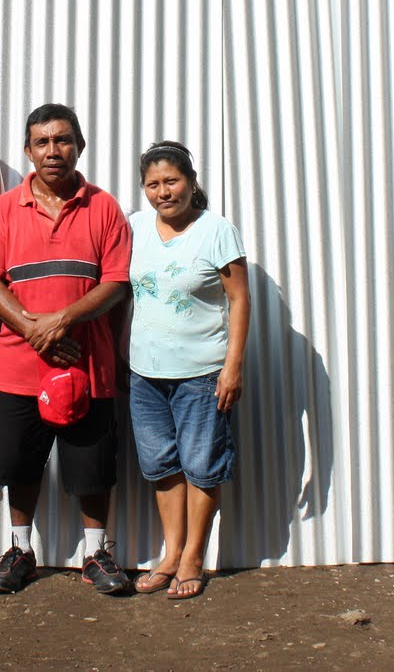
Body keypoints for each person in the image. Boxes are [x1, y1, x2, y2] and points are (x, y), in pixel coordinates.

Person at [0, 103, 134, 596]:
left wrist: (63, 320)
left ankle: (95, 553)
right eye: (42, 142)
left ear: (79, 146)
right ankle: (21, 548)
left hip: (87, 362)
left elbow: (116, 283)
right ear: (27, 151)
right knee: (19, 462)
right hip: (19, 363)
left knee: (92, 465)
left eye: (62, 140)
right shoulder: (5, 207)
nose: (52, 151)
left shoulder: (103, 206)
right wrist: (31, 329)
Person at [126, 141, 251, 600]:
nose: (163, 192)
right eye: (153, 184)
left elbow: (240, 300)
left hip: (202, 373)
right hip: (145, 372)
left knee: (201, 466)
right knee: (161, 465)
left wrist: (232, 367)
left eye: (172, 181)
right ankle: (171, 552)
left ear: (191, 182)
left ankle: (194, 556)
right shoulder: (136, 227)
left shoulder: (216, 231)